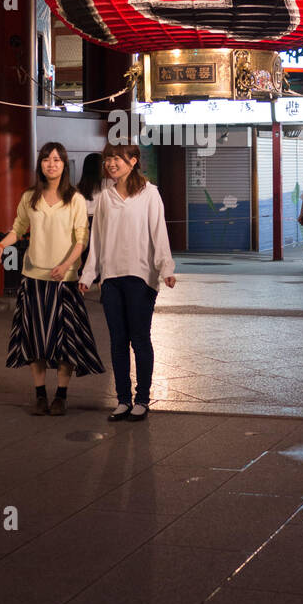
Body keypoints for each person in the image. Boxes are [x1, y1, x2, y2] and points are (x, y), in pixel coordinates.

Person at [0, 141, 104, 415]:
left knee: (64, 341)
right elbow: (18, 228)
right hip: (33, 278)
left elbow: (82, 238)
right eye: (46, 159)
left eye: (56, 160)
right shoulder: (30, 196)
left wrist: (66, 264)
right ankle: (40, 394)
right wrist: (1, 244)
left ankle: (62, 396)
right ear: (40, 164)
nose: (51, 164)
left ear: (64, 165)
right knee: (36, 340)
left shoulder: (75, 198)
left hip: (63, 281)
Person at [79, 142, 176, 422]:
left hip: (140, 277)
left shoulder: (149, 193)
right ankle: (122, 399)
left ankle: (142, 399)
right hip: (111, 278)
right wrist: (88, 274)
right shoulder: (105, 197)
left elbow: (159, 233)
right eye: (108, 159)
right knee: (117, 340)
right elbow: (96, 240)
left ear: (133, 161)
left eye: (117, 159)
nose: (111, 163)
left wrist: (165, 267)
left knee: (140, 338)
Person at [76, 152, 105, 277]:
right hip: (100, 221)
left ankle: (85, 276)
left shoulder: (79, 187)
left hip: (84, 222)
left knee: (85, 251)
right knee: (99, 251)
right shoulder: (106, 185)